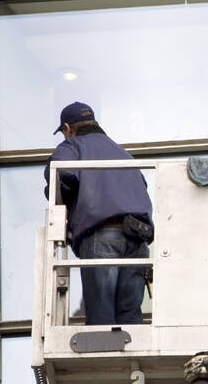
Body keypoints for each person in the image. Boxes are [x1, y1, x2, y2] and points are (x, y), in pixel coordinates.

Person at [44, 102, 153, 325]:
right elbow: (142, 187)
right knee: (130, 316)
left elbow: (61, 175)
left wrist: (53, 193)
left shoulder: (72, 146)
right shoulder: (123, 153)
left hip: (102, 235)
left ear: (67, 128)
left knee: (101, 315)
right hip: (137, 239)